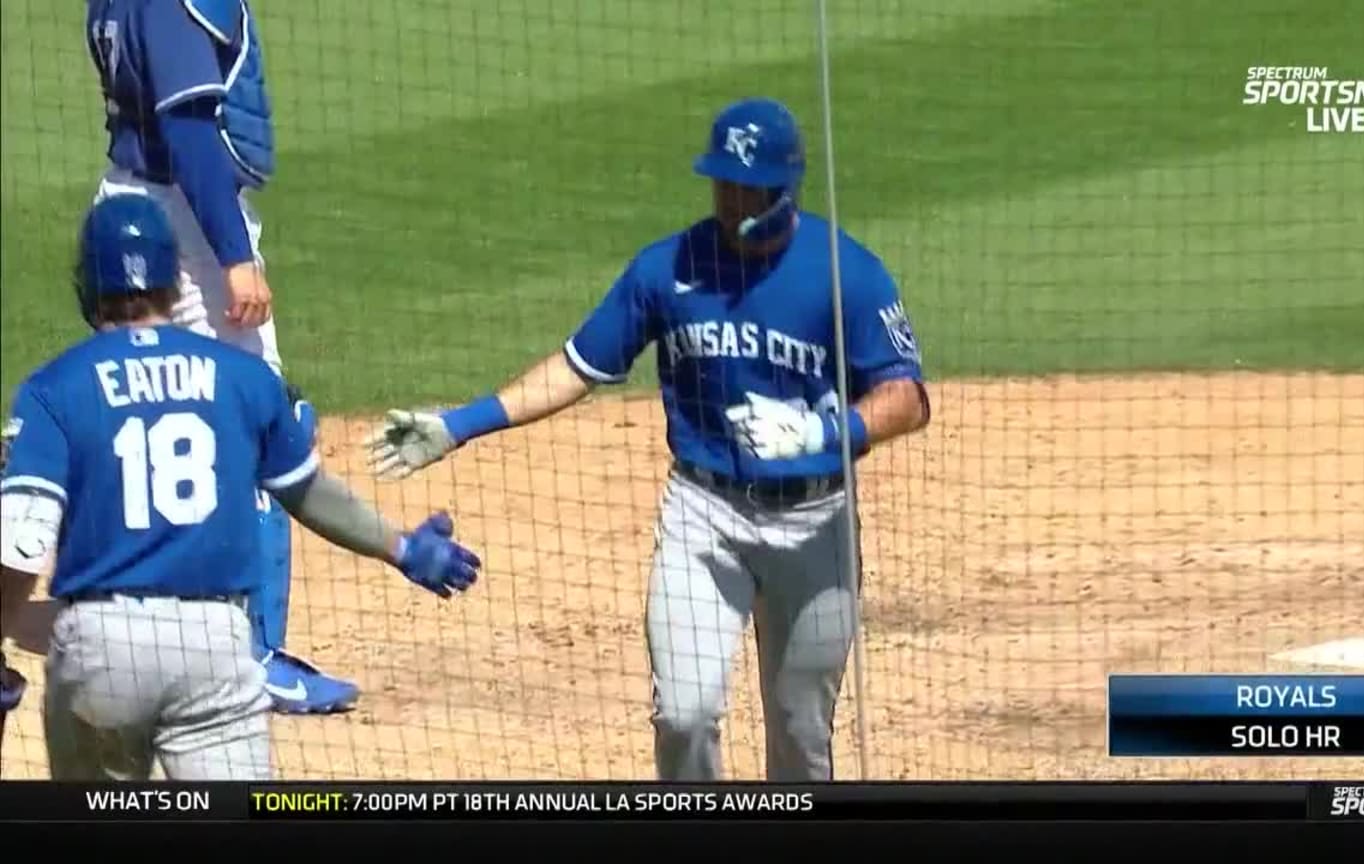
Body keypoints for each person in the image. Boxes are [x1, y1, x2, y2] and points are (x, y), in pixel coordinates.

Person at [363, 97, 931, 781]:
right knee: (682, 715)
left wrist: (824, 429)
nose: (729, 199)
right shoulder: (669, 267)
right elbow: (578, 366)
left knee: (800, 730)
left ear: (784, 189)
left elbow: (909, 399)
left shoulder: (848, 273)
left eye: (745, 186)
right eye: (721, 182)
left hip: (815, 523)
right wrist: (459, 423)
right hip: (705, 514)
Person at [0, 195, 481, 780]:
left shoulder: (53, 390)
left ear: (86, 283)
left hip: (103, 651)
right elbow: (307, 493)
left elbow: (20, 542)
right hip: (217, 646)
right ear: (175, 282)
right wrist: (404, 549)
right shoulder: (244, 379)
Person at [80, 0, 356, 712]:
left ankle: (152, 627)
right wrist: (235, 258)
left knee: (142, 414)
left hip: (136, 206)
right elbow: (187, 130)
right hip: (185, 221)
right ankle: (252, 658)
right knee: (260, 421)